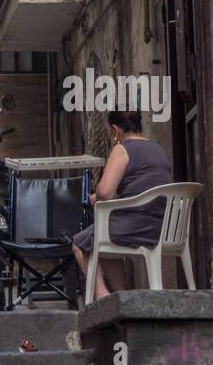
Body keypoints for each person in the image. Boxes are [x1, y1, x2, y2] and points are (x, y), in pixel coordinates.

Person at [72, 110, 172, 300]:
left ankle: (102, 294)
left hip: (134, 225)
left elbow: (105, 192)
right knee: (104, 242)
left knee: (79, 244)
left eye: (112, 133)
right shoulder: (157, 149)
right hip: (161, 226)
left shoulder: (123, 149)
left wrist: (96, 197)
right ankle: (122, 295)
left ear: (115, 130)